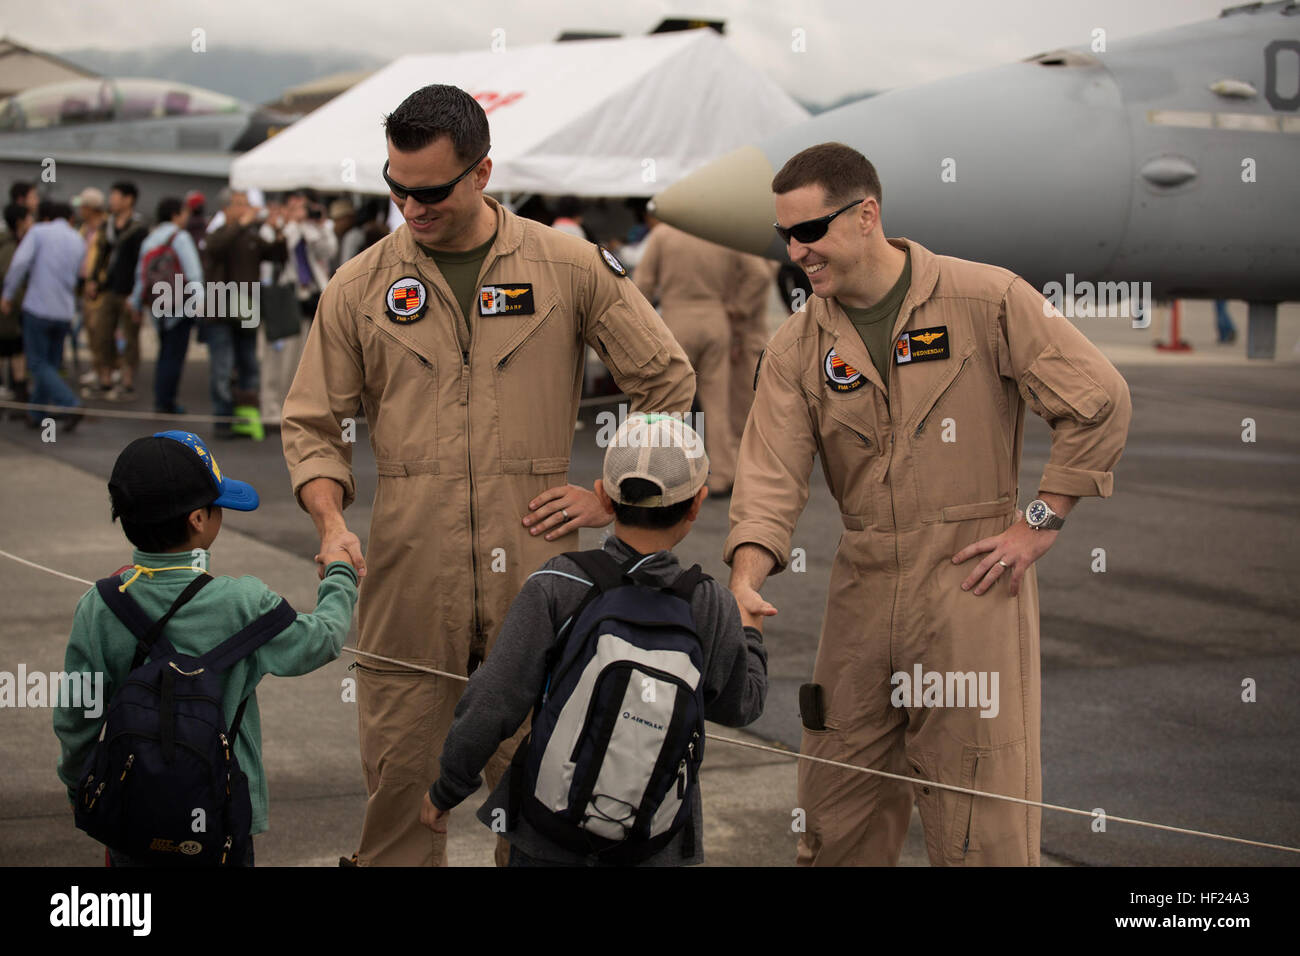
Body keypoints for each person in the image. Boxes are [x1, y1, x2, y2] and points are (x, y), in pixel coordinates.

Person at [281, 83, 694, 867]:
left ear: (482, 173)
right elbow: (311, 424)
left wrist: (606, 495)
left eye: (431, 190)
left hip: (541, 575)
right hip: (406, 574)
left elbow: (666, 381)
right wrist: (331, 522)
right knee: (402, 782)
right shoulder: (360, 286)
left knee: (545, 787)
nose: (411, 206)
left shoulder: (568, 266)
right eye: (395, 187)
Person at [725, 142, 1132, 866]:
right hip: (864, 587)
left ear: (865, 216)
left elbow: (1098, 400)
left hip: (972, 585)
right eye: (784, 237)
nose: (796, 252)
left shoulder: (988, 298)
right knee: (834, 804)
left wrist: (1040, 520)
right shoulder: (797, 345)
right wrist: (748, 570)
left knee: (980, 816)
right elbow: (769, 471)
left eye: (810, 232)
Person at [420, 412, 767, 866]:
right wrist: (751, 633)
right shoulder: (709, 603)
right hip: (656, 845)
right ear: (698, 504)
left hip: (549, 839)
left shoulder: (558, 583)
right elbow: (741, 705)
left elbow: (493, 701)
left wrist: (448, 788)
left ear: (603, 495)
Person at [53, 429, 360, 865]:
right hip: (222, 821)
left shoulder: (100, 606)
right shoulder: (244, 603)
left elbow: (76, 715)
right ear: (199, 519)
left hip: (131, 814)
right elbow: (325, 638)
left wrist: (78, 786)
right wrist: (340, 572)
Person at [633, 215, 753, 496]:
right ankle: (724, 473)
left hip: (676, 320)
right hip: (716, 318)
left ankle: (664, 474)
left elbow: (642, 284)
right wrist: (739, 307)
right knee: (718, 403)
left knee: (670, 400)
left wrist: (644, 323)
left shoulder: (663, 235)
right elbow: (757, 273)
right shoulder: (720, 231)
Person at [202, 188, 287, 437]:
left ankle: (246, 418)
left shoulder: (250, 236)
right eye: (240, 204)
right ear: (226, 209)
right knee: (222, 366)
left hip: (247, 309)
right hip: (220, 311)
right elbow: (215, 248)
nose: (246, 209)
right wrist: (241, 224)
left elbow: (277, 255)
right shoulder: (218, 234)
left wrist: (278, 230)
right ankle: (223, 420)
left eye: (246, 204)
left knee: (249, 365)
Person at [1, 199, 87, 430]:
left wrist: (8, 294)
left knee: (38, 363)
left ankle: (69, 403)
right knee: (49, 363)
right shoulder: (78, 239)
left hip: (38, 308)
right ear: (70, 218)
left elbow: (20, 263)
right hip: (64, 311)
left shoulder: (39, 232)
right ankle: (36, 412)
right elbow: (82, 274)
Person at [128, 197, 204, 414]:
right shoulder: (180, 237)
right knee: (174, 354)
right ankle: (166, 401)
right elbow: (193, 272)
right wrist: (200, 301)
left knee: (163, 353)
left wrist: (135, 303)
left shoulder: (150, 239)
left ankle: (161, 398)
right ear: (175, 214)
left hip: (157, 305)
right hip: (180, 305)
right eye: (184, 212)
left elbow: (141, 276)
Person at [88, 182, 147, 401]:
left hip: (130, 292)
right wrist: (94, 279)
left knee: (131, 338)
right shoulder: (108, 226)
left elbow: (143, 262)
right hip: (109, 289)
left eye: (115, 195)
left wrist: (139, 294)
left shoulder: (138, 229)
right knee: (102, 333)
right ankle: (105, 379)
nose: (111, 199)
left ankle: (127, 382)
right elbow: (102, 255)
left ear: (128, 199)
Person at [0, 202, 33, 410]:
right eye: (29, 218)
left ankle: (18, 390)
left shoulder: (14, 243)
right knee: (11, 348)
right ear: (20, 222)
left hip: (11, 306)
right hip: (9, 308)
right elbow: (7, 275)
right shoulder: (11, 246)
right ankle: (16, 392)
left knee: (14, 348)